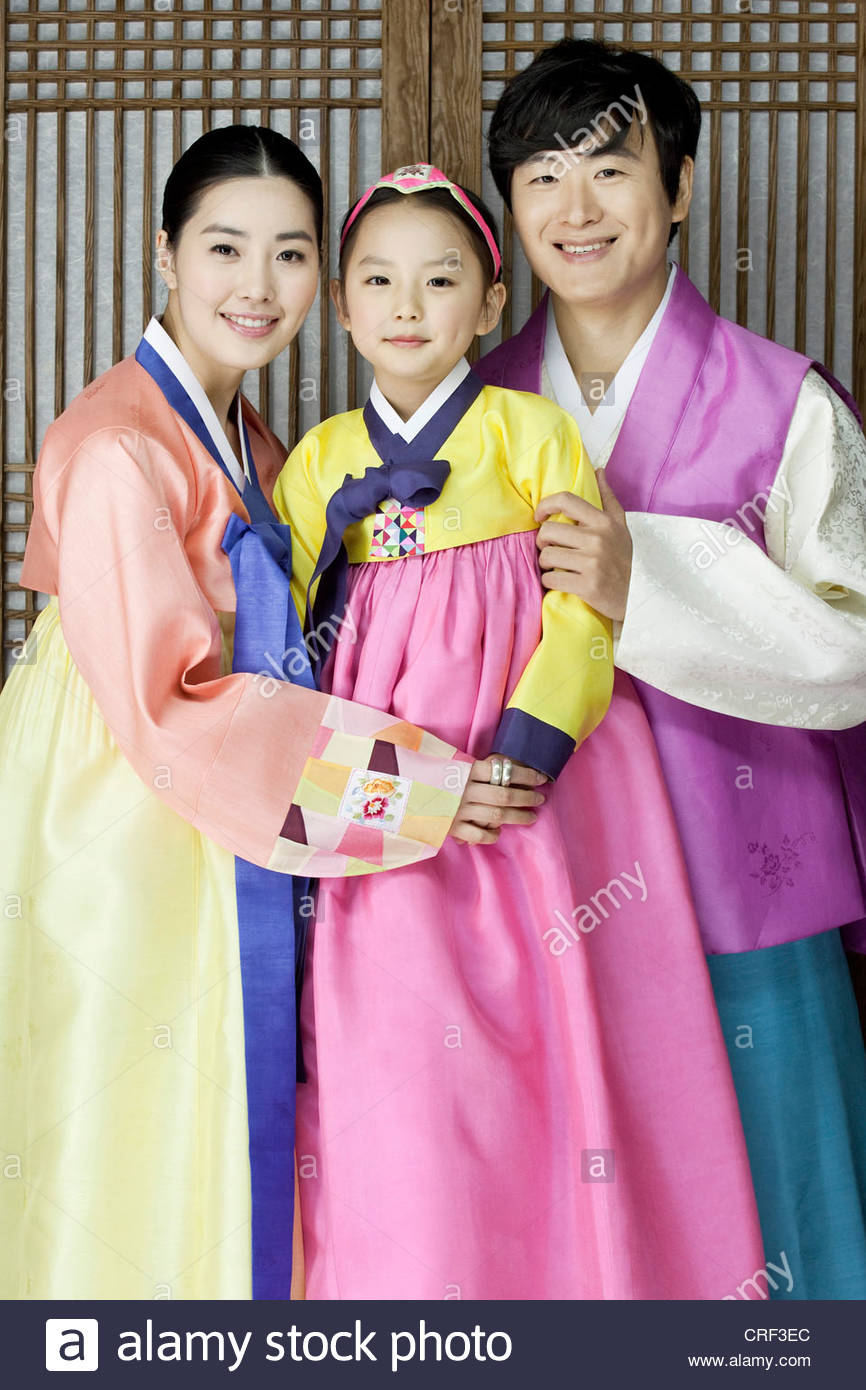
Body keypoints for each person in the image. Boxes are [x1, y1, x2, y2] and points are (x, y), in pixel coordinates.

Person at [0, 126, 545, 1301]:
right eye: (224, 249)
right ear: (165, 255)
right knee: (129, 1129)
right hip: (125, 807)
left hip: (210, 799)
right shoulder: (114, 448)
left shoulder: (251, 441)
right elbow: (169, 704)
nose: (257, 288)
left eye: (290, 254)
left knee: (203, 1130)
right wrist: (425, 786)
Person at [275, 163, 765, 1299]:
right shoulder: (315, 463)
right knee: (396, 1049)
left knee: (550, 1044)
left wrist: (527, 747)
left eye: (441, 280)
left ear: (490, 303)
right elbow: (278, 647)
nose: (408, 307)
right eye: (380, 282)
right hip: (390, 795)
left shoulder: (529, 433)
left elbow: (584, 605)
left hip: (530, 796)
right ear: (342, 306)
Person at [479, 37, 866, 1299]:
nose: (573, 207)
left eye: (608, 165)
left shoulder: (784, 404)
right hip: (536, 884)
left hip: (740, 891)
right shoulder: (470, 406)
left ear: (680, 185)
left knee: (778, 1231)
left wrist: (643, 582)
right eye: (540, 174)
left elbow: (855, 651)